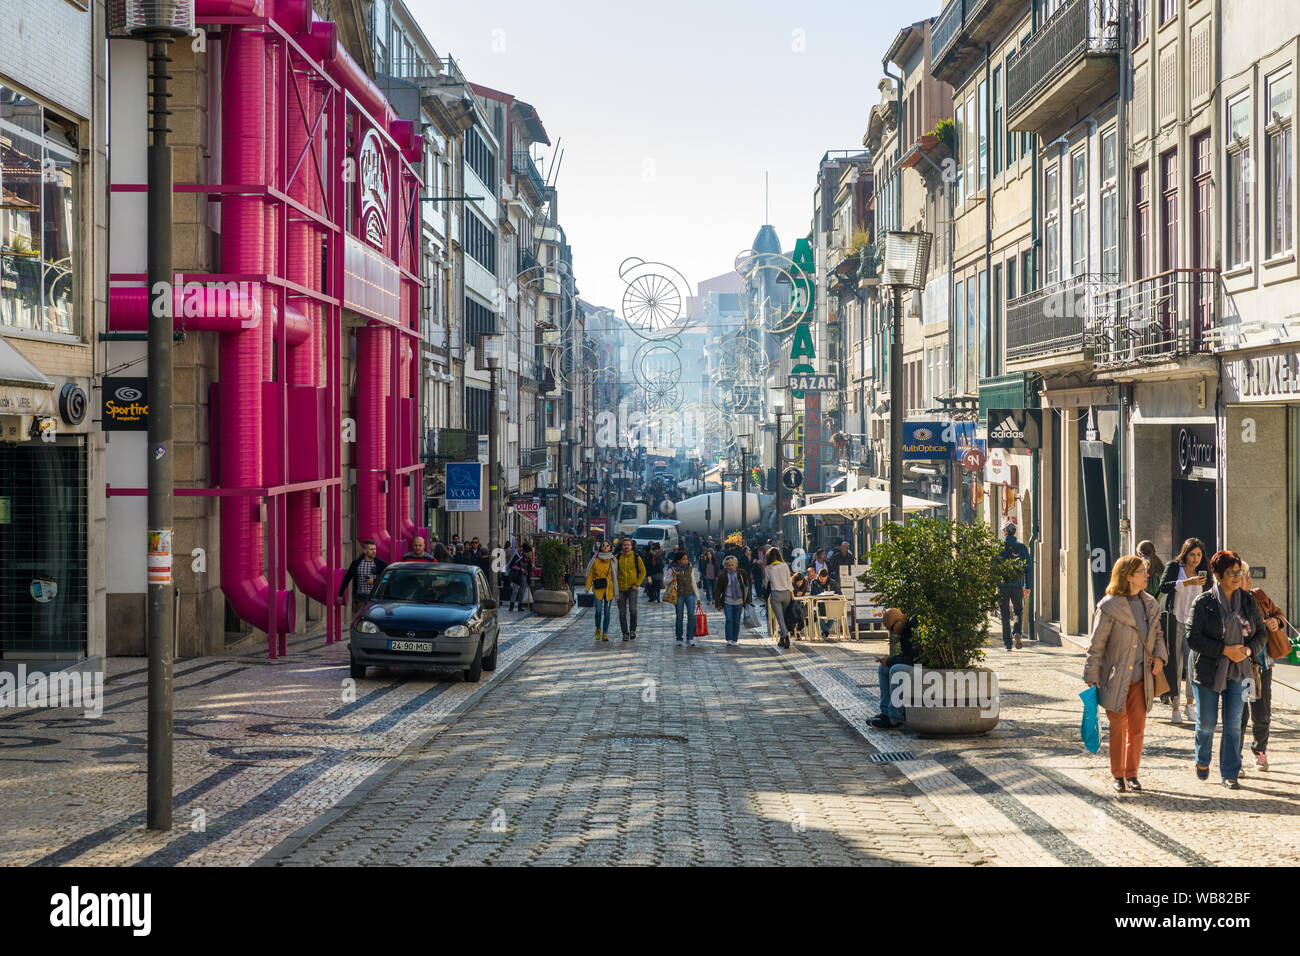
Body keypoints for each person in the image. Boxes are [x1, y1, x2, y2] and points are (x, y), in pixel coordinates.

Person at [1083, 555, 1167, 793]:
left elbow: (1158, 635)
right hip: (1116, 677)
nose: (1146, 575)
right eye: (1141, 571)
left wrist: (1160, 657)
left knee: (1138, 727)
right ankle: (1118, 774)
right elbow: (1096, 644)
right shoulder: (1109, 606)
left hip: (1143, 678)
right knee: (1118, 727)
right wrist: (1092, 675)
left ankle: (1132, 773)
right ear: (1128, 576)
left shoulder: (1151, 604)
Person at [1187, 550, 1267, 789]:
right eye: (1231, 573)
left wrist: (1248, 651)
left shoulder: (1248, 601)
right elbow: (1192, 637)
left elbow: (1261, 633)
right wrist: (1224, 650)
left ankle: (1230, 772)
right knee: (1208, 722)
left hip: (1241, 670)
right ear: (1218, 575)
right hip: (1208, 669)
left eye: (1238, 572)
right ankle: (1202, 759)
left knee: (1233, 722)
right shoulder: (1204, 602)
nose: (1237, 577)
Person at [1157, 537, 1209, 724]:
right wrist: (1187, 583)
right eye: (1192, 554)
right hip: (1175, 621)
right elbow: (1163, 587)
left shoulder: (1203, 573)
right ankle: (1174, 707)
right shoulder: (1174, 567)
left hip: (1194, 625)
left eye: (1198, 555)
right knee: (1175, 665)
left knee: (1192, 665)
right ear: (1185, 554)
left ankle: (1190, 705)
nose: (1195, 558)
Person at [1241, 561, 1282, 772]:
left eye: (1246, 576)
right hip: (1240, 669)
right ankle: (1234, 757)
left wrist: (1277, 622)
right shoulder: (1229, 602)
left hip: (1262, 666)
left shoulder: (1258, 595)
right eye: (1244, 577)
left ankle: (1260, 753)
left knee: (1262, 712)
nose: (1248, 581)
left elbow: (1278, 614)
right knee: (1239, 714)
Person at [870, 609, 918, 729]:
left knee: (896, 669)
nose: (891, 632)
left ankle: (895, 718)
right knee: (883, 668)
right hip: (913, 664)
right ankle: (885, 712)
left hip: (922, 667)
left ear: (899, 622)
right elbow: (906, 655)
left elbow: (914, 659)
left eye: (891, 628)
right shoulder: (905, 630)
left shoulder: (913, 630)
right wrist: (889, 660)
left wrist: (891, 661)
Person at [997, 522, 1032, 650]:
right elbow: (1028, 568)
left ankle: (1008, 643)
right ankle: (1017, 632)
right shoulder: (1022, 547)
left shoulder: (998, 546)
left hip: (1002, 585)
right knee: (1018, 610)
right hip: (1017, 584)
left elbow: (994, 567)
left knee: (1005, 614)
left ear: (1005, 532)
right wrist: (1028, 585)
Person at [713, 554, 752, 647]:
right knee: (729, 619)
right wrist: (717, 603)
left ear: (736, 565)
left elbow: (747, 586)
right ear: (726, 566)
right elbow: (718, 590)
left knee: (737, 620)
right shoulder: (723, 575)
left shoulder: (742, 573)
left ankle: (735, 639)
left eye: (732, 565)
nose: (731, 567)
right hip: (727, 601)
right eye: (729, 565)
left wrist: (748, 600)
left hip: (739, 601)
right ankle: (729, 639)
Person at [338, 539, 388, 612]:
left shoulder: (381, 564)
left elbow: (387, 578)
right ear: (365, 551)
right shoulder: (356, 563)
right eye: (371, 549)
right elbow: (347, 578)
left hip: (375, 598)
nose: (374, 551)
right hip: (360, 597)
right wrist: (340, 594)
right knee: (360, 619)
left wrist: (375, 581)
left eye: (375, 549)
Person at [585, 540, 619, 642]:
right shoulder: (595, 559)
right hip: (597, 588)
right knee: (598, 611)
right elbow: (590, 574)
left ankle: (605, 633)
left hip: (609, 589)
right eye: (603, 545)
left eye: (607, 546)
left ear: (610, 548)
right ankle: (598, 628)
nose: (605, 547)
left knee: (607, 612)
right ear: (600, 547)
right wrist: (587, 587)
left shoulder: (613, 560)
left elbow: (616, 575)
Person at [614, 537, 647, 641]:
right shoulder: (617, 557)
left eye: (628, 545)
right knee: (622, 612)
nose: (626, 547)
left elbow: (643, 572)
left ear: (631, 546)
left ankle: (632, 630)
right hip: (620, 588)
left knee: (632, 610)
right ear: (621, 546)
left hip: (632, 588)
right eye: (624, 545)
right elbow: (612, 571)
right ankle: (625, 633)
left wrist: (637, 584)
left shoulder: (636, 557)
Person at [763, 547, 794, 649]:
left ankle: (786, 637)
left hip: (775, 594)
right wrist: (791, 593)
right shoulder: (784, 565)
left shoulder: (768, 568)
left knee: (780, 619)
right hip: (786, 594)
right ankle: (782, 639)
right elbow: (789, 580)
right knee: (784, 618)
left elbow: (766, 582)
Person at [669, 550, 700, 647]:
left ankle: (690, 637)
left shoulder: (690, 567)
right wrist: (673, 578)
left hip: (690, 594)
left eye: (686, 559)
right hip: (679, 594)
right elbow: (665, 581)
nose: (685, 561)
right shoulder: (673, 569)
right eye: (683, 559)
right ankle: (679, 638)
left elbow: (693, 581)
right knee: (679, 616)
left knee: (691, 615)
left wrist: (698, 597)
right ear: (678, 560)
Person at [506, 543, 534, 612]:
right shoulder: (517, 556)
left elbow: (529, 568)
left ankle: (520, 606)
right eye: (529, 553)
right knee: (515, 591)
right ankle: (511, 606)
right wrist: (520, 569)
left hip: (524, 577)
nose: (530, 554)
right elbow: (511, 566)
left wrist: (531, 569)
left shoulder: (528, 559)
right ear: (525, 553)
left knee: (522, 591)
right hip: (516, 576)